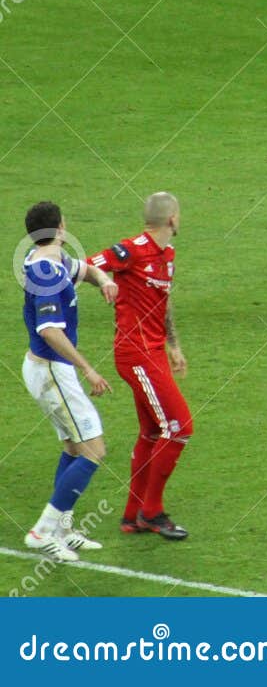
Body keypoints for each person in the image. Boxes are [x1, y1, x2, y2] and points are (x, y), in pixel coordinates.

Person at [88, 192, 197, 540]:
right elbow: (87, 264)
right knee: (179, 427)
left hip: (154, 354)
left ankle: (132, 515)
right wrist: (103, 280)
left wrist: (174, 345)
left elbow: (162, 302)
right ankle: (152, 512)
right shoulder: (131, 249)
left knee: (153, 432)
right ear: (173, 219)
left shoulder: (167, 255)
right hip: (135, 355)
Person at [21, 201, 118, 563]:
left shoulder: (53, 259)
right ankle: (42, 531)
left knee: (74, 448)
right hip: (51, 370)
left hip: (50, 370)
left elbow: (88, 270)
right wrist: (88, 369)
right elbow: (49, 331)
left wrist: (105, 280)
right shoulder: (45, 271)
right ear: (60, 227)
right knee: (94, 450)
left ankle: (62, 530)